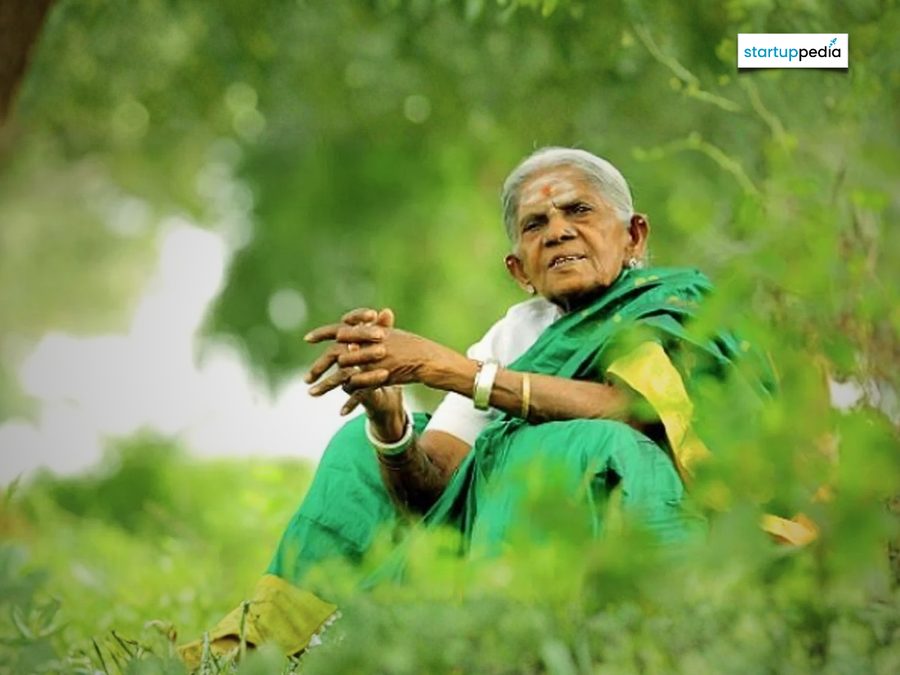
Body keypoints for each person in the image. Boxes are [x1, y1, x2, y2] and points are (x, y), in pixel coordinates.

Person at [177, 147, 775, 666]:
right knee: (358, 448)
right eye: (536, 223)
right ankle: (262, 653)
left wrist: (456, 373)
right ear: (519, 268)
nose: (558, 231)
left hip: (675, 527)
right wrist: (391, 425)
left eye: (579, 211)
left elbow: (640, 413)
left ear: (634, 235)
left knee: (571, 447)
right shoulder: (514, 334)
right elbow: (433, 491)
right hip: (501, 535)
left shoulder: (675, 307)